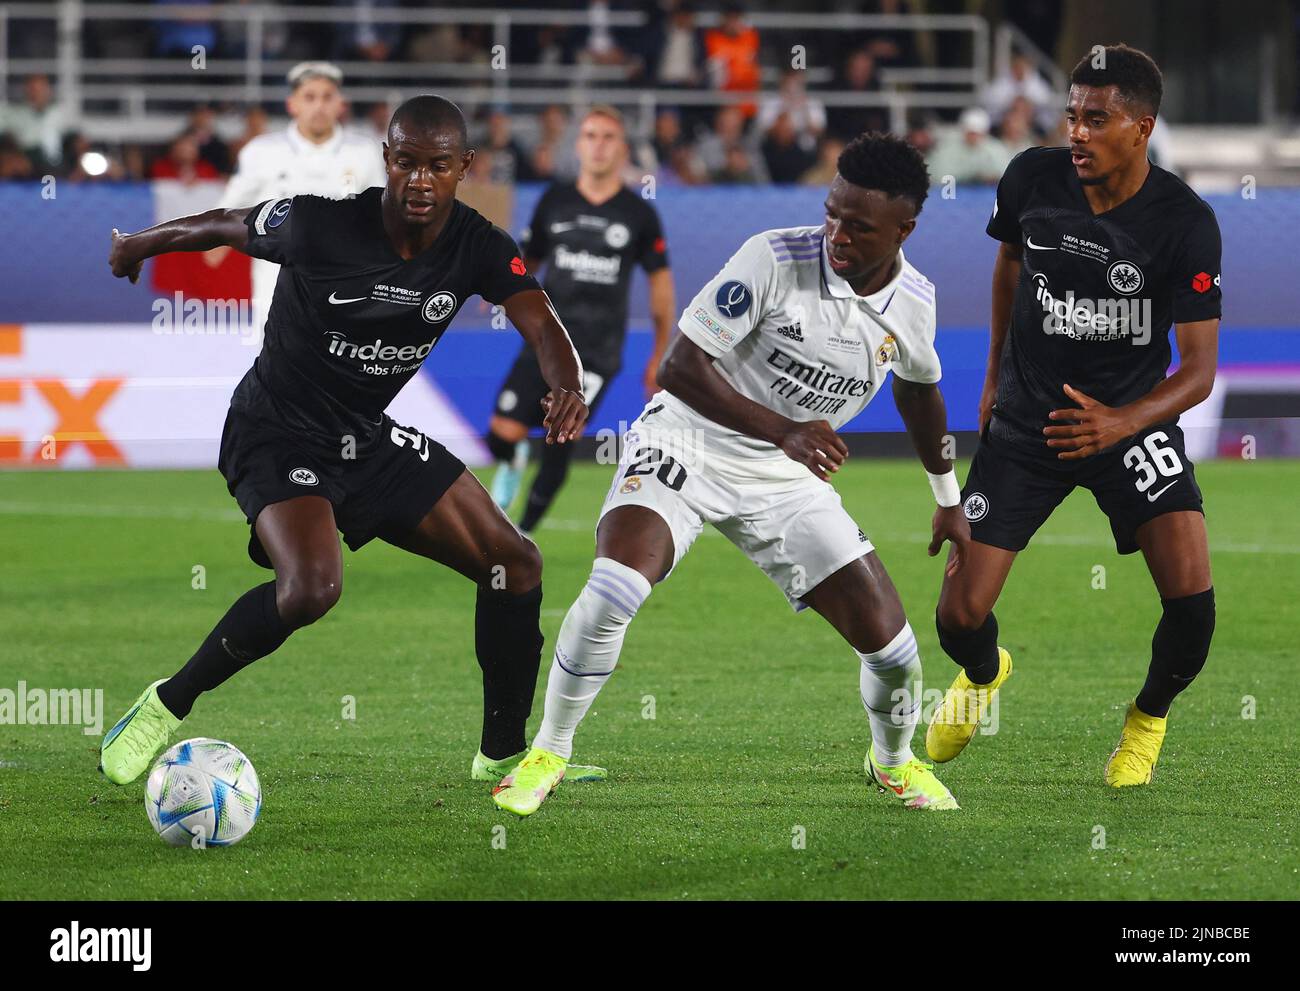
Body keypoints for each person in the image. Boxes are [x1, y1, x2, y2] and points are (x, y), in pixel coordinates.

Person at [99, 96, 590, 793]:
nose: (421, 180)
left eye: (439, 167)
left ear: (465, 169)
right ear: (387, 160)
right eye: (409, 163)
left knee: (515, 563)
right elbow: (226, 226)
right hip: (275, 428)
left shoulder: (479, 245)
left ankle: (502, 756)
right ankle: (166, 702)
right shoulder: (322, 223)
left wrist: (567, 385)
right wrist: (141, 243)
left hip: (364, 436)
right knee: (311, 589)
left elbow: (540, 323)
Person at [493, 132, 971, 817]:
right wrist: (786, 429)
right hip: (688, 437)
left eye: (859, 226)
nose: (836, 232)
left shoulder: (914, 304)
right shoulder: (774, 257)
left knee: (894, 650)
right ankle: (550, 750)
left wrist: (947, 498)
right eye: (832, 211)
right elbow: (680, 368)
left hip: (784, 475)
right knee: (614, 586)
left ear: (905, 230)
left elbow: (920, 393)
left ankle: (892, 762)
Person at [926, 45, 1221, 788]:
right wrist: (993, 374)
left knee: (1193, 607)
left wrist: (1123, 424)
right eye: (1072, 116)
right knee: (957, 616)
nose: (1078, 133)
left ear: (1141, 127)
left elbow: (1198, 372)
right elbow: (1009, 268)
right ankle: (985, 674)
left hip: (1132, 428)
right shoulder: (1031, 177)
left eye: (1098, 119)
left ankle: (1146, 718)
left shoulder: (1185, 222)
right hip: (1029, 426)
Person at [487, 106, 676, 533]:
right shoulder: (555, 200)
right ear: (578, 144)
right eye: (590, 135)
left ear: (622, 148)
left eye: (609, 137)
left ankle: (521, 533)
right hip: (544, 339)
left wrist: (659, 355)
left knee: (559, 441)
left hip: (596, 352)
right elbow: (527, 259)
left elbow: (661, 287)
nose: (599, 145)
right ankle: (513, 459)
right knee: (502, 432)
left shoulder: (638, 213)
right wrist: (495, 282)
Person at [216, 62, 386, 346]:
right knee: (277, 380)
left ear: (340, 104)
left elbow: (381, 219)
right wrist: (211, 249)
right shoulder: (262, 152)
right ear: (292, 104)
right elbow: (227, 212)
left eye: (327, 97)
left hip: (345, 292)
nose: (319, 106)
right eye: (310, 97)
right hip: (276, 292)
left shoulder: (365, 152)